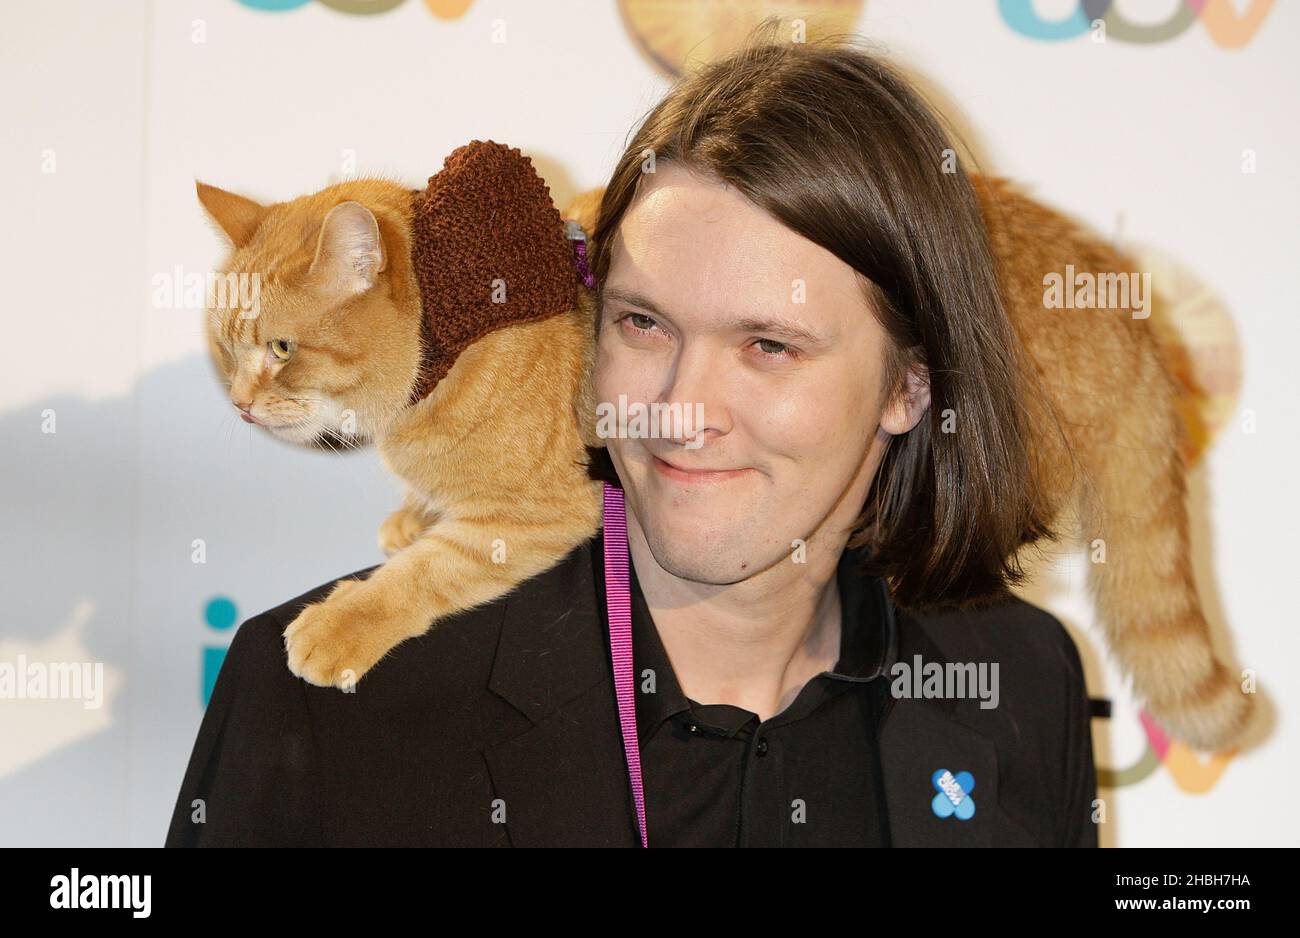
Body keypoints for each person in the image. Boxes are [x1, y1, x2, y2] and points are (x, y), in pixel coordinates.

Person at [166, 25, 1098, 848]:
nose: (676, 408)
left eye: (768, 345)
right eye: (643, 325)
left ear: (909, 385)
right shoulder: (328, 705)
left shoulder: (1020, 682)